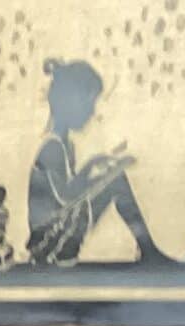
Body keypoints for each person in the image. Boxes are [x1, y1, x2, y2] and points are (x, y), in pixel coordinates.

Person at [25, 58, 166, 268]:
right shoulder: (52, 147)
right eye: (88, 103)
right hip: (47, 246)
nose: (92, 112)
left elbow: (66, 195)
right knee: (116, 180)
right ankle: (149, 251)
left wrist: (94, 167)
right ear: (69, 103)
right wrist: (98, 172)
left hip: (54, 238)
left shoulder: (63, 145)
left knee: (114, 177)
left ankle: (149, 250)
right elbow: (65, 198)